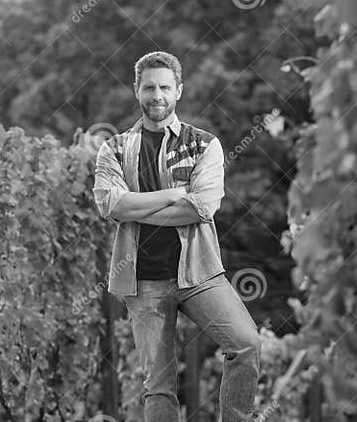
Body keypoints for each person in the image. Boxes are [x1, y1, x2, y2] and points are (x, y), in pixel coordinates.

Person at [92, 51, 261, 422]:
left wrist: (138, 206)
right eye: (149, 87)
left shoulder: (204, 144)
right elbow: (112, 205)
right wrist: (172, 195)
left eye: (165, 87)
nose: (157, 95)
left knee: (247, 344)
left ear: (179, 91)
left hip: (199, 273)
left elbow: (203, 207)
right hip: (143, 279)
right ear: (137, 91)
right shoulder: (114, 148)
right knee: (158, 386)